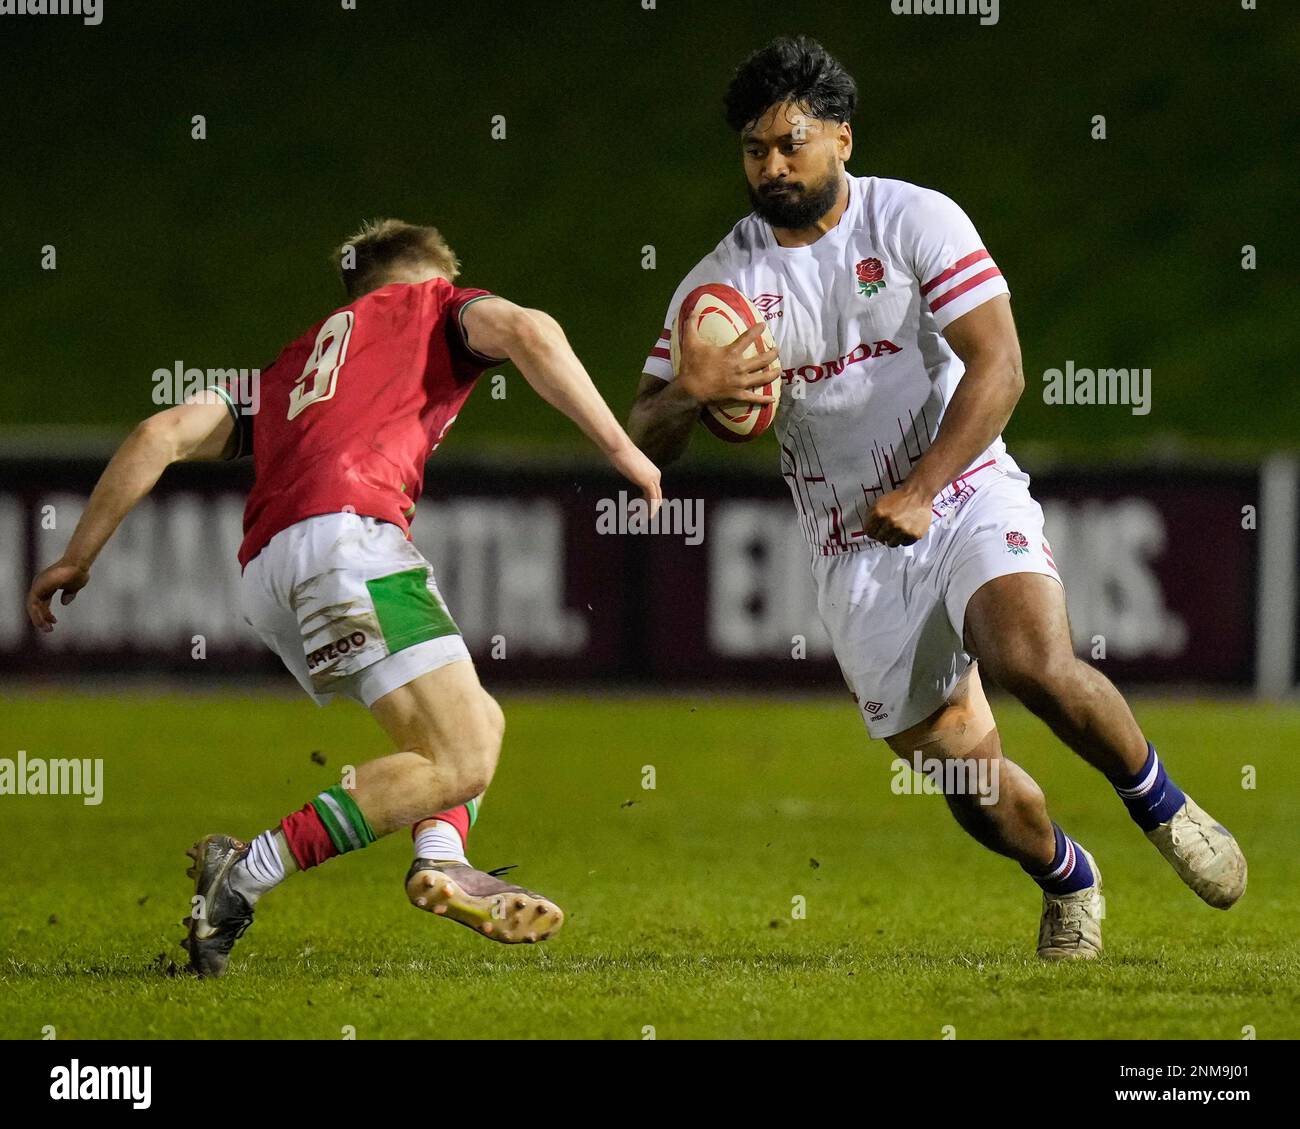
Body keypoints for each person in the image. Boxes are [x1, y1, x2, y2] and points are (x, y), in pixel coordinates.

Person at [627, 36, 1245, 960]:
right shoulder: (725, 289)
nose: (772, 166)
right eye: (755, 150)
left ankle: (1163, 806)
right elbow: (637, 439)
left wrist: (923, 487)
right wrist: (688, 390)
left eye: (791, 142)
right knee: (967, 774)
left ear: (841, 135)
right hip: (853, 549)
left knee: (1030, 657)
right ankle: (1069, 878)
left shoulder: (915, 220)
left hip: (962, 489)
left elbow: (1001, 366)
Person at [27, 218, 662, 977]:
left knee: (469, 730)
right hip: (349, 542)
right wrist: (627, 451)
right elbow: (529, 329)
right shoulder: (434, 306)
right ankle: (248, 871)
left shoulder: (289, 369)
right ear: (431, 270)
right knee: (462, 754)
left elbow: (159, 432)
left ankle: (443, 855)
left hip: (268, 570)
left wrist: (77, 554)